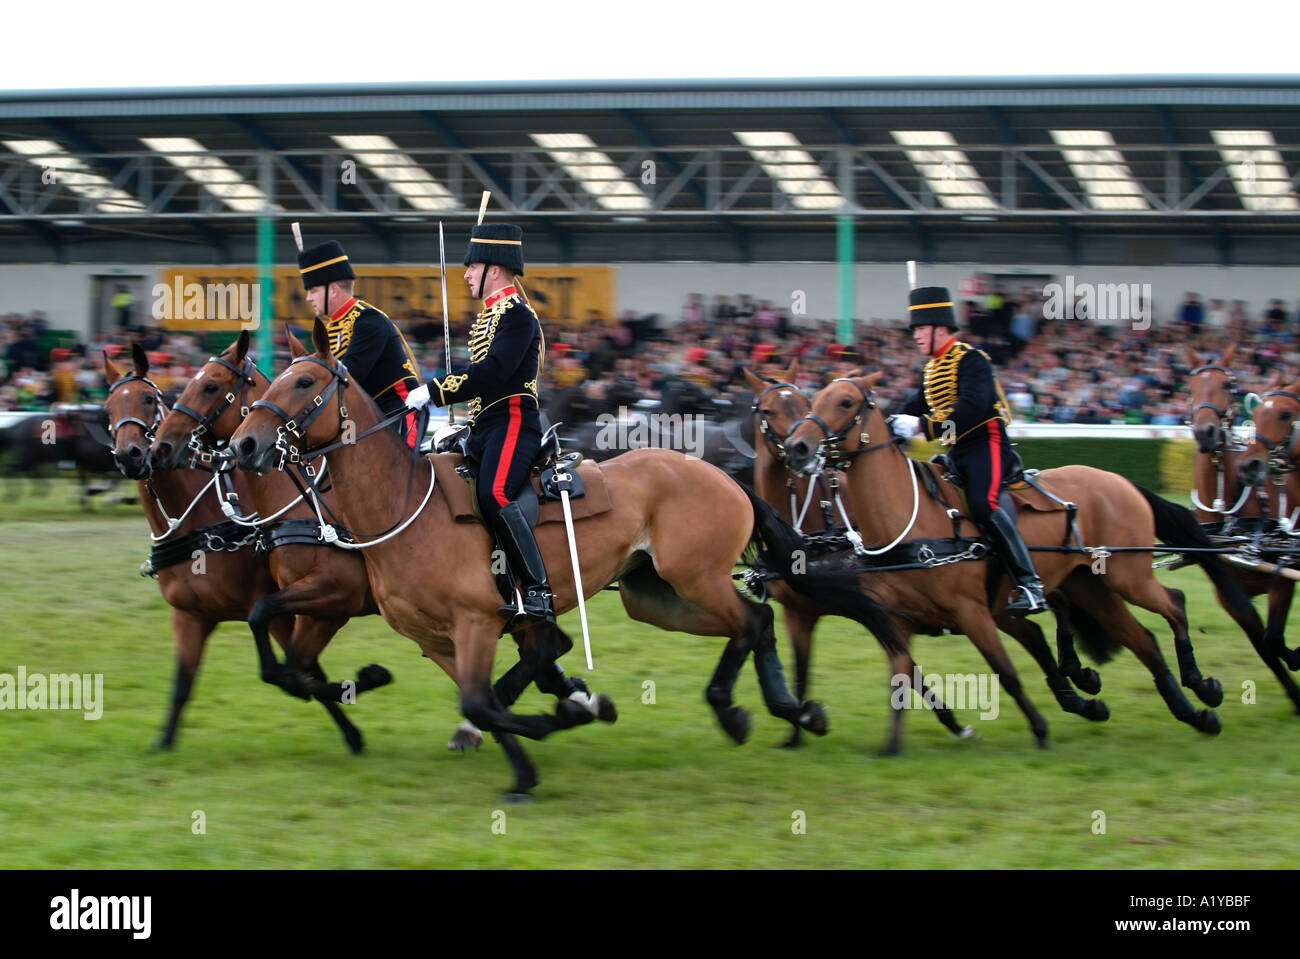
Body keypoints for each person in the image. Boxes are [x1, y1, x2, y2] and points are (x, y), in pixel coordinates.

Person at [403, 223, 555, 626]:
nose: (467, 275)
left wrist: (434, 391)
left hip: (514, 422)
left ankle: (539, 590)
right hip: (486, 424)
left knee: (495, 493)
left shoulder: (518, 316)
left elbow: (494, 372)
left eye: (472, 267)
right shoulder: (490, 317)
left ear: (495, 269)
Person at [887, 286, 1048, 615]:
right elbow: (914, 406)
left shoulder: (971, 360)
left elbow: (973, 407)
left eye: (920, 329)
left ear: (940, 329)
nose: (915, 336)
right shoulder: (931, 369)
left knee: (982, 503)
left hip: (985, 443)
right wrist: (883, 421)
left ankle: (1030, 584)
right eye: (914, 330)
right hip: (956, 451)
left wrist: (922, 427)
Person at [297, 239, 422, 447]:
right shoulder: (330, 329)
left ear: (333, 289)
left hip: (397, 411)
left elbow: (349, 375)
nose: (309, 298)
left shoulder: (367, 320)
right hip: (362, 417)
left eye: (313, 290)